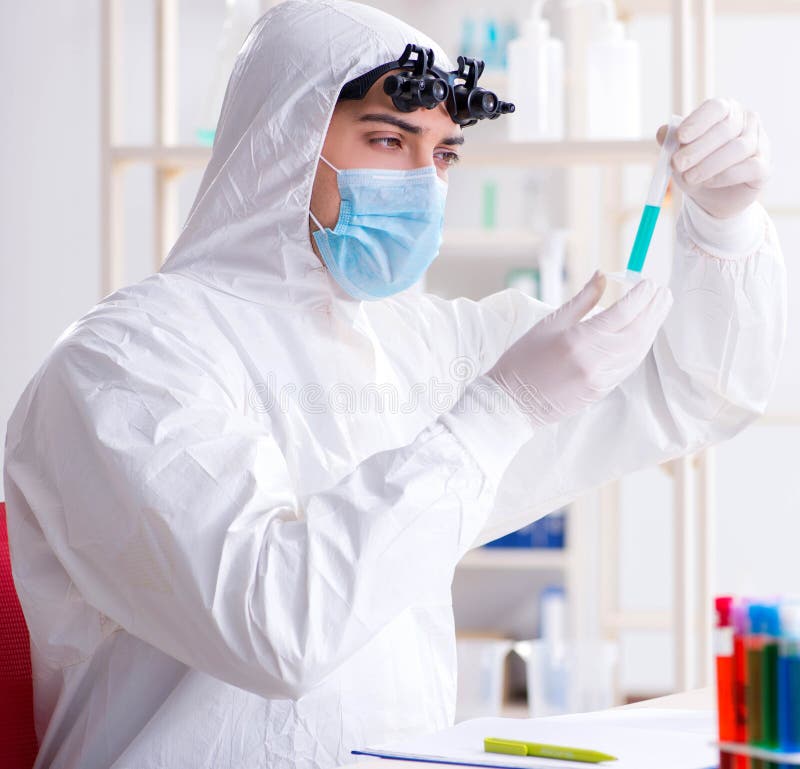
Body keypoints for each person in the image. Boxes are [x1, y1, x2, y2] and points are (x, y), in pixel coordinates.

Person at [3, 1, 785, 767]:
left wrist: (724, 226)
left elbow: (691, 388)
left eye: (443, 155)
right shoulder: (124, 363)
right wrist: (501, 409)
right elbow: (276, 627)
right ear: (281, 143)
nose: (423, 184)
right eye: (387, 138)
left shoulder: (413, 342)